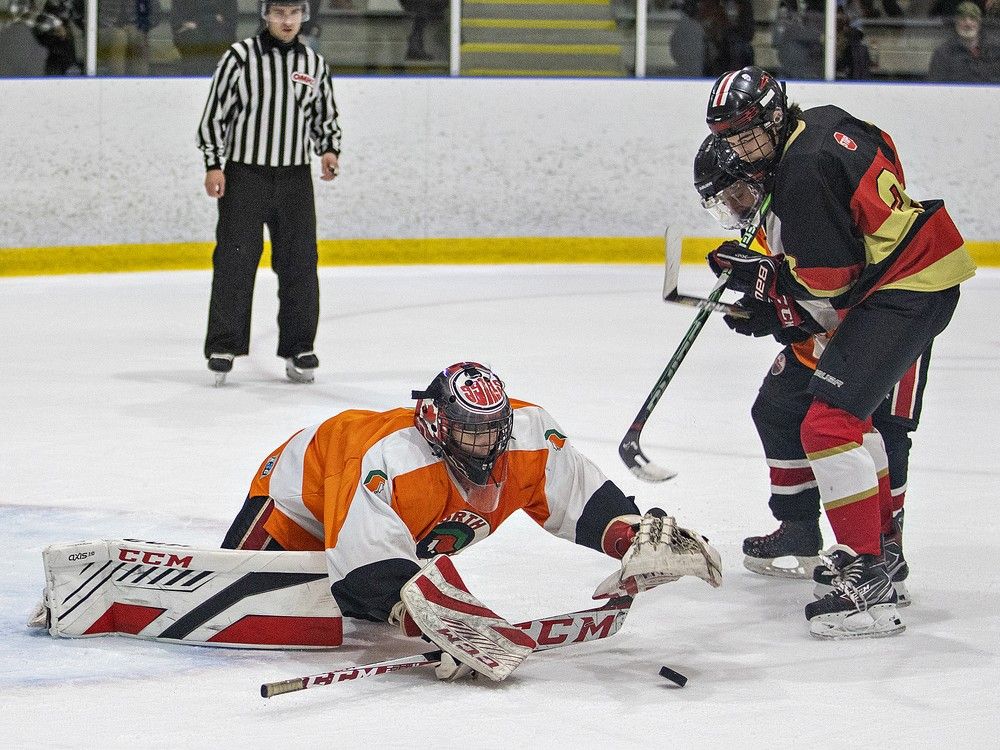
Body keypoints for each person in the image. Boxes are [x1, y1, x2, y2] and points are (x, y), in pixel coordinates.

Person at [221, 361, 722, 678]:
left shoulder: (529, 435)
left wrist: (630, 538)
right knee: (253, 591)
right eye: (469, 431)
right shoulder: (388, 457)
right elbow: (364, 566)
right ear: (438, 423)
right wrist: (430, 620)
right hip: (300, 492)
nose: (485, 444)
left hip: (410, 525)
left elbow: (581, 497)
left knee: (376, 590)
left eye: (492, 430)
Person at [701, 66, 976, 638]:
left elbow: (829, 280)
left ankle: (869, 573)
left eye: (749, 135)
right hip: (904, 275)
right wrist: (774, 291)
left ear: (775, 117)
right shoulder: (820, 126)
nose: (742, 149)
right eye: (731, 139)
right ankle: (869, 555)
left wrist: (769, 288)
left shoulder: (798, 174)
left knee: (836, 426)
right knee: (822, 418)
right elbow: (882, 162)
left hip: (903, 289)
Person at [693, 135, 920, 607]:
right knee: (776, 409)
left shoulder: (804, 201)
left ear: (754, 177)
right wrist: (763, 300)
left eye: (735, 194)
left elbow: (836, 289)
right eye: (722, 202)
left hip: (883, 326)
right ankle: (798, 528)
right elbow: (796, 290)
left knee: (882, 431)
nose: (734, 208)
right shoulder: (771, 209)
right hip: (823, 339)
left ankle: (884, 549)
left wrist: (776, 311)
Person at [197, 0, 342, 386]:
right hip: (244, 175)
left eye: (294, 13)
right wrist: (214, 163)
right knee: (235, 260)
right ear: (265, 15)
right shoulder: (239, 58)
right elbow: (214, 116)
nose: (287, 20)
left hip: (295, 179)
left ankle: (299, 348)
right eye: (279, 12)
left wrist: (328, 149)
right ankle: (223, 346)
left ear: (304, 16)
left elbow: (324, 117)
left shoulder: (314, 64)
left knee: (299, 262)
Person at [928, 1, 1000, 82]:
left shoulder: (996, 50)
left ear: (979, 22)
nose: (968, 23)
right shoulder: (942, 54)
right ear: (956, 22)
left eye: (972, 18)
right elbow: (935, 86)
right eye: (963, 19)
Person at [96, 0, 163, 76]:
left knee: (137, 35)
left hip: (134, 28)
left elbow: (156, 14)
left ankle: (140, 83)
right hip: (104, 28)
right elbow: (83, 11)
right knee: (119, 36)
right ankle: (116, 82)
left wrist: (141, 26)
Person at [171, 0, 237, 76]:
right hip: (191, 38)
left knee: (217, 41)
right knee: (195, 41)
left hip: (219, 37)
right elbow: (177, 22)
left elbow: (230, 21)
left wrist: (211, 22)